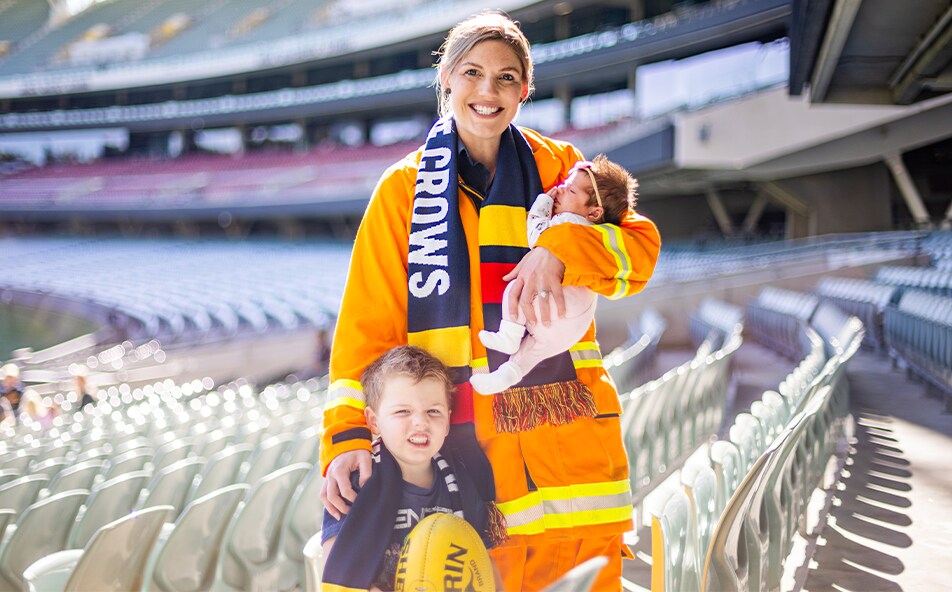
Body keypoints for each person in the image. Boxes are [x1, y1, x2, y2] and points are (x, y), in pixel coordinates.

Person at [320, 11, 661, 591]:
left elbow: (639, 252)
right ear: (447, 79)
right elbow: (367, 330)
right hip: (467, 465)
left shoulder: (563, 168)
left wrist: (560, 244)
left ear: (524, 90)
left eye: (506, 78)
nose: (488, 90)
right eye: (473, 73)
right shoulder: (402, 192)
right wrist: (348, 435)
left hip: (572, 458)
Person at [320, 345, 502, 592]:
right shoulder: (357, 482)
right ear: (374, 420)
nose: (420, 421)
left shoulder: (462, 479)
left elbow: (482, 562)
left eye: (433, 411)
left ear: (448, 421)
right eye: (403, 411)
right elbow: (337, 566)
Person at [472, 154, 639, 396]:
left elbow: (536, 236)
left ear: (593, 213)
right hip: (573, 322)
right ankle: (506, 375)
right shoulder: (597, 235)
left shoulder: (569, 224)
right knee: (533, 351)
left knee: (517, 285)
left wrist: (542, 203)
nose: (560, 190)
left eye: (570, 191)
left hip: (554, 301)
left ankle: (509, 334)